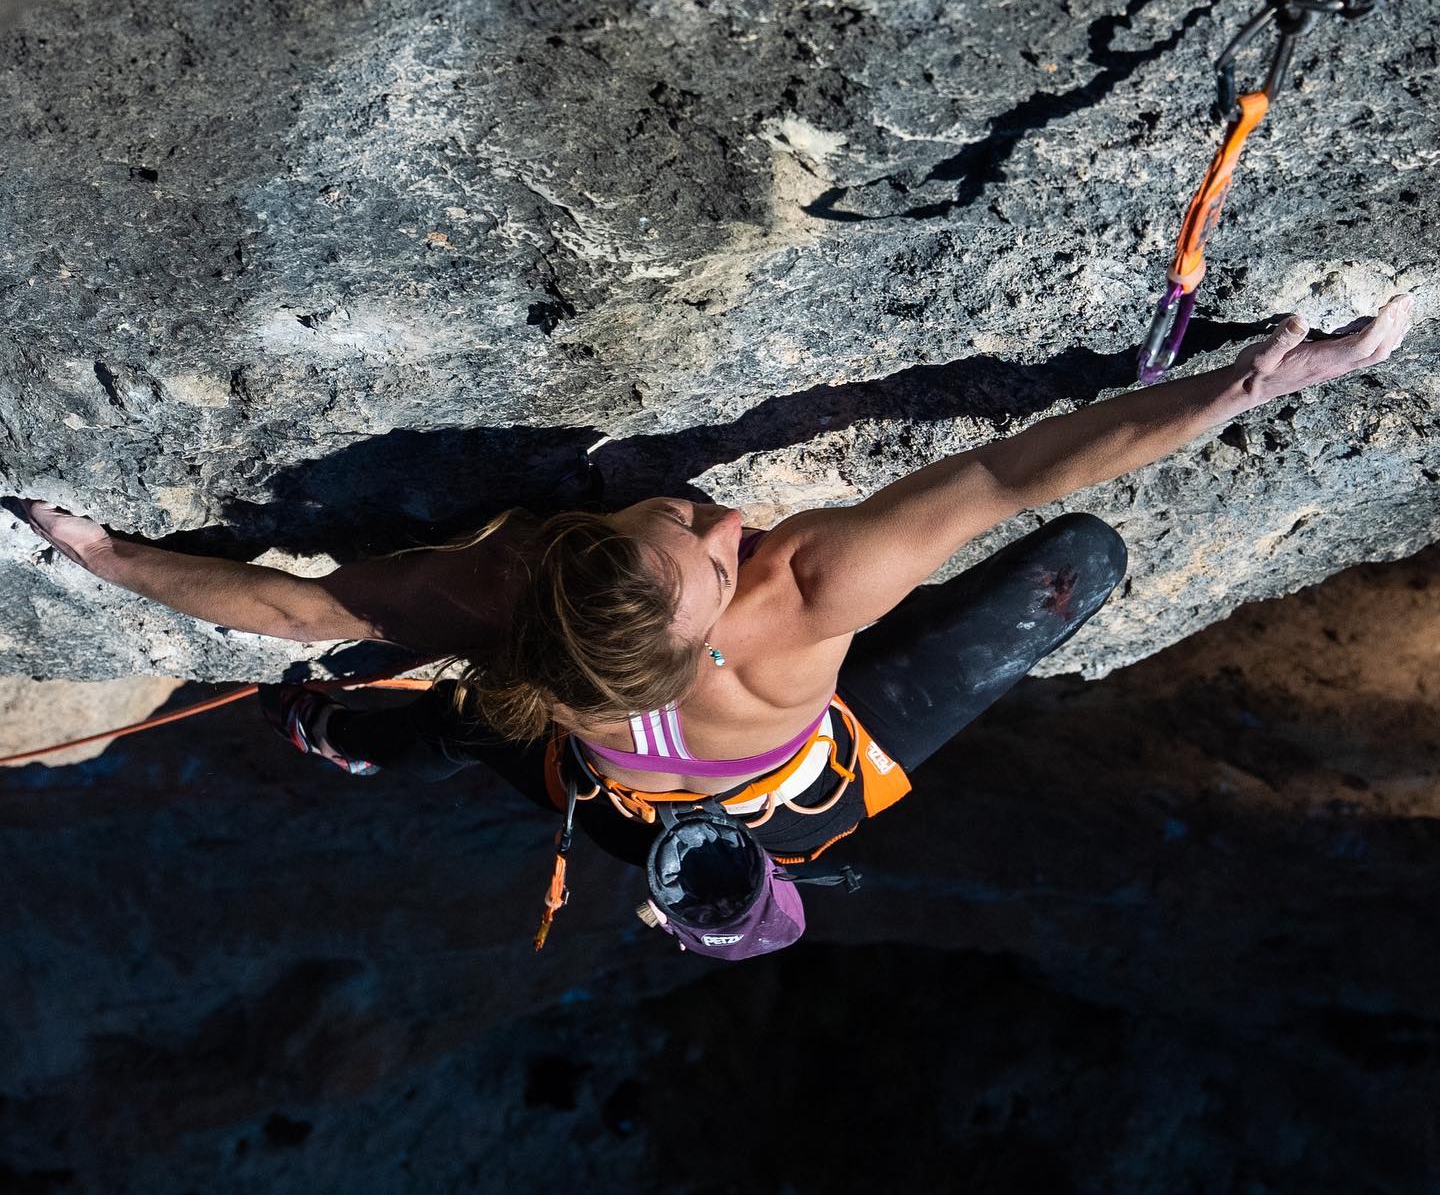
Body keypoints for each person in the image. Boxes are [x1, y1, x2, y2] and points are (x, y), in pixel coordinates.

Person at [15, 295, 1416, 877]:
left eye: (693, 525)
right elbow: (1016, 478)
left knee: (495, 729)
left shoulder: (486, 608)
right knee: (1092, 565)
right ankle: (384, 736)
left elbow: (292, 609)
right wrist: (1239, 387)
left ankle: (368, 734)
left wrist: (108, 556)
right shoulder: (807, 590)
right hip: (798, 789)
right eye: (716, 542)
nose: (737, 510)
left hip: (621, 791)